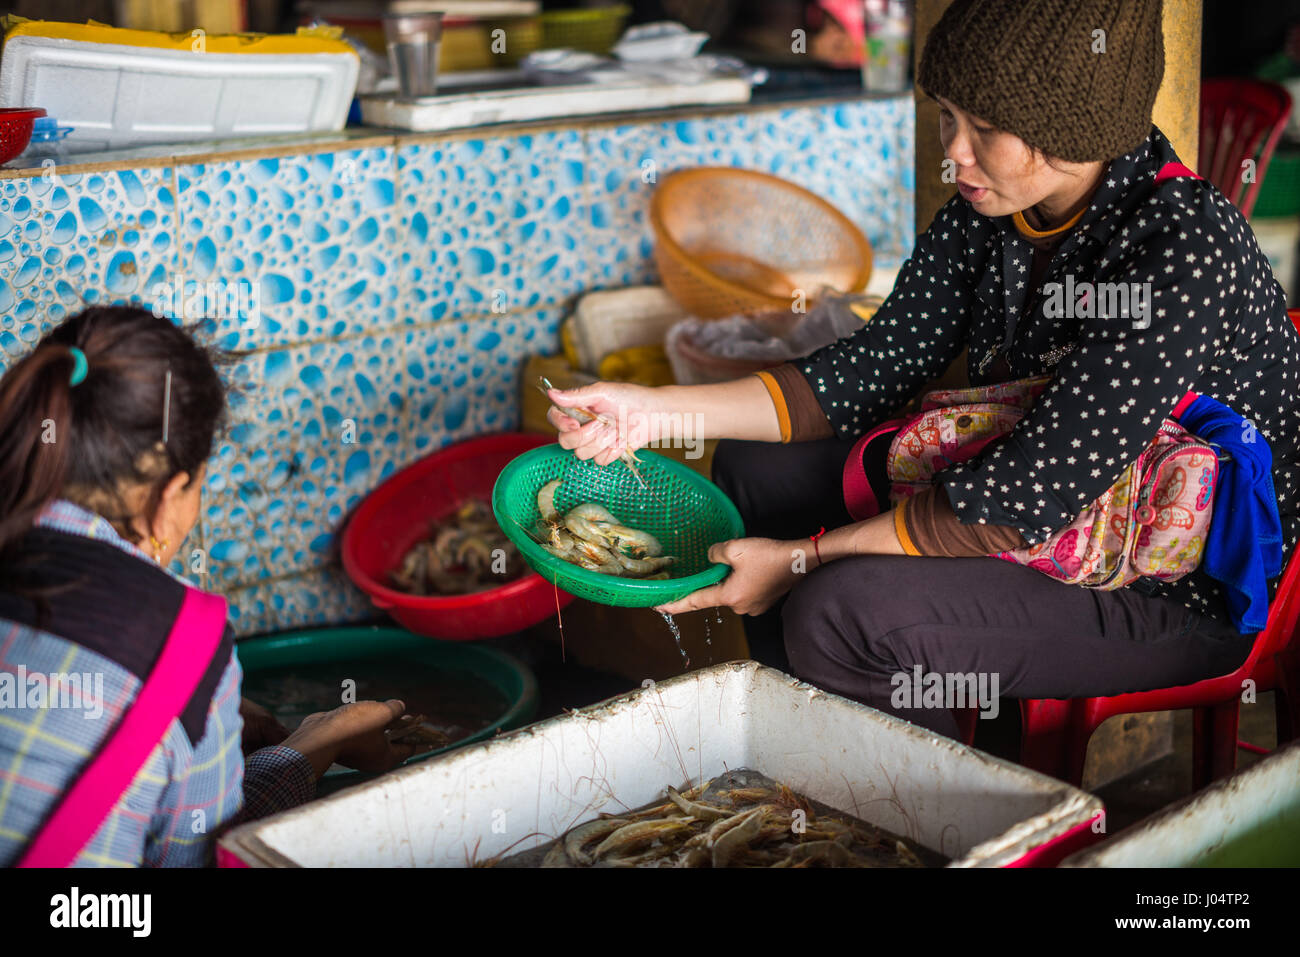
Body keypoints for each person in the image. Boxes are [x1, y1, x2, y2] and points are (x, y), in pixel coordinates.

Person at [545, 0, 1300, 739]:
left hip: (1172, 583)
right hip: (1039, 507)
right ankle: (811, 775)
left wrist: (802, 562)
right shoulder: (995, 208)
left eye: (987, 129)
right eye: (948, 116)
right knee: (753, 469)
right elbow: (870, 368)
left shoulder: (1179, 248)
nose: (955, 153)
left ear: (1071, 137)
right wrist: (652, 411)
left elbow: (1022, 495)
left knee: (838, 608)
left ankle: (918, 825)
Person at [0, 305, 424, 867]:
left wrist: (182, 706)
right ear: (169, 494)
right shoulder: (182, 642)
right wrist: (312, 746)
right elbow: (196, 862)